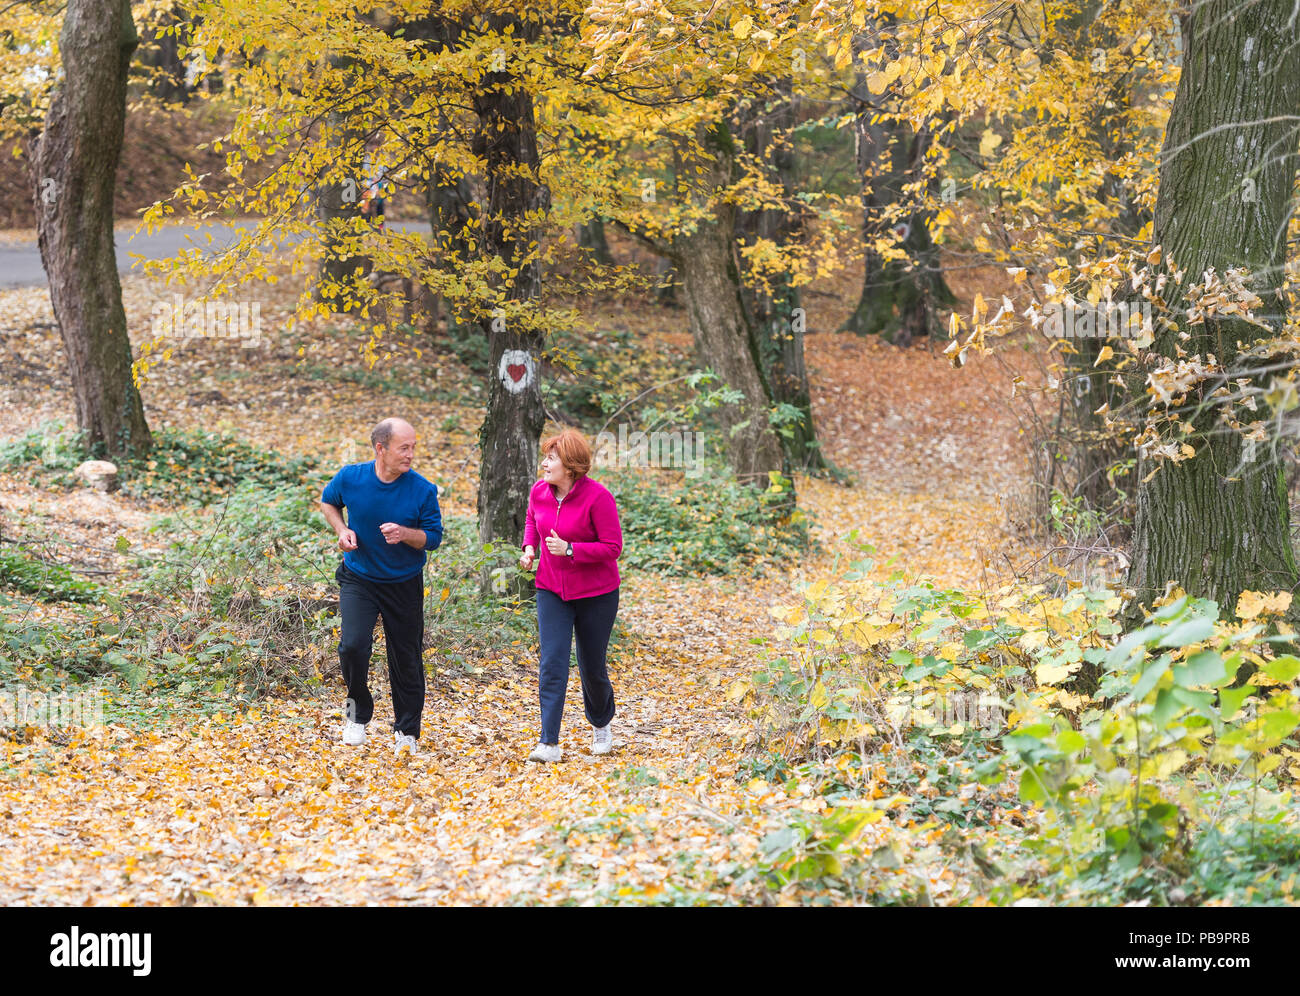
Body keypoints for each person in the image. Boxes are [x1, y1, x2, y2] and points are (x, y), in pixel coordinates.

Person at [320, 418, 442, 756]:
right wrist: (341, 531)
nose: (410, 455)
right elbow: (328, 502)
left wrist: (406, 534)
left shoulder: (422, 489)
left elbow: (433, 538)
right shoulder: (351, 477)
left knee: (406, 658)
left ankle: (407, 731)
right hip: (359, 577)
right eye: (404, 448)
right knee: (351, 647)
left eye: (413, 447)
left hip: (403, 583)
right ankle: (355, 716)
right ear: (381, 449)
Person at [518, 428, 623, 762]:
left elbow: (613, 547)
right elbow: (532, 520)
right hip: (552, 589)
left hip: (597, 594)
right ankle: (548, 742)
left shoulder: (598, 497)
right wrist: (529, 547)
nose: (545, 463)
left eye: (552, 458)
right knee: (552, 662)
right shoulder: (539, 491)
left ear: (571, 466)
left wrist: (571, 549)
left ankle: (601, 723)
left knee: (591, 667)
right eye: (547, 456)